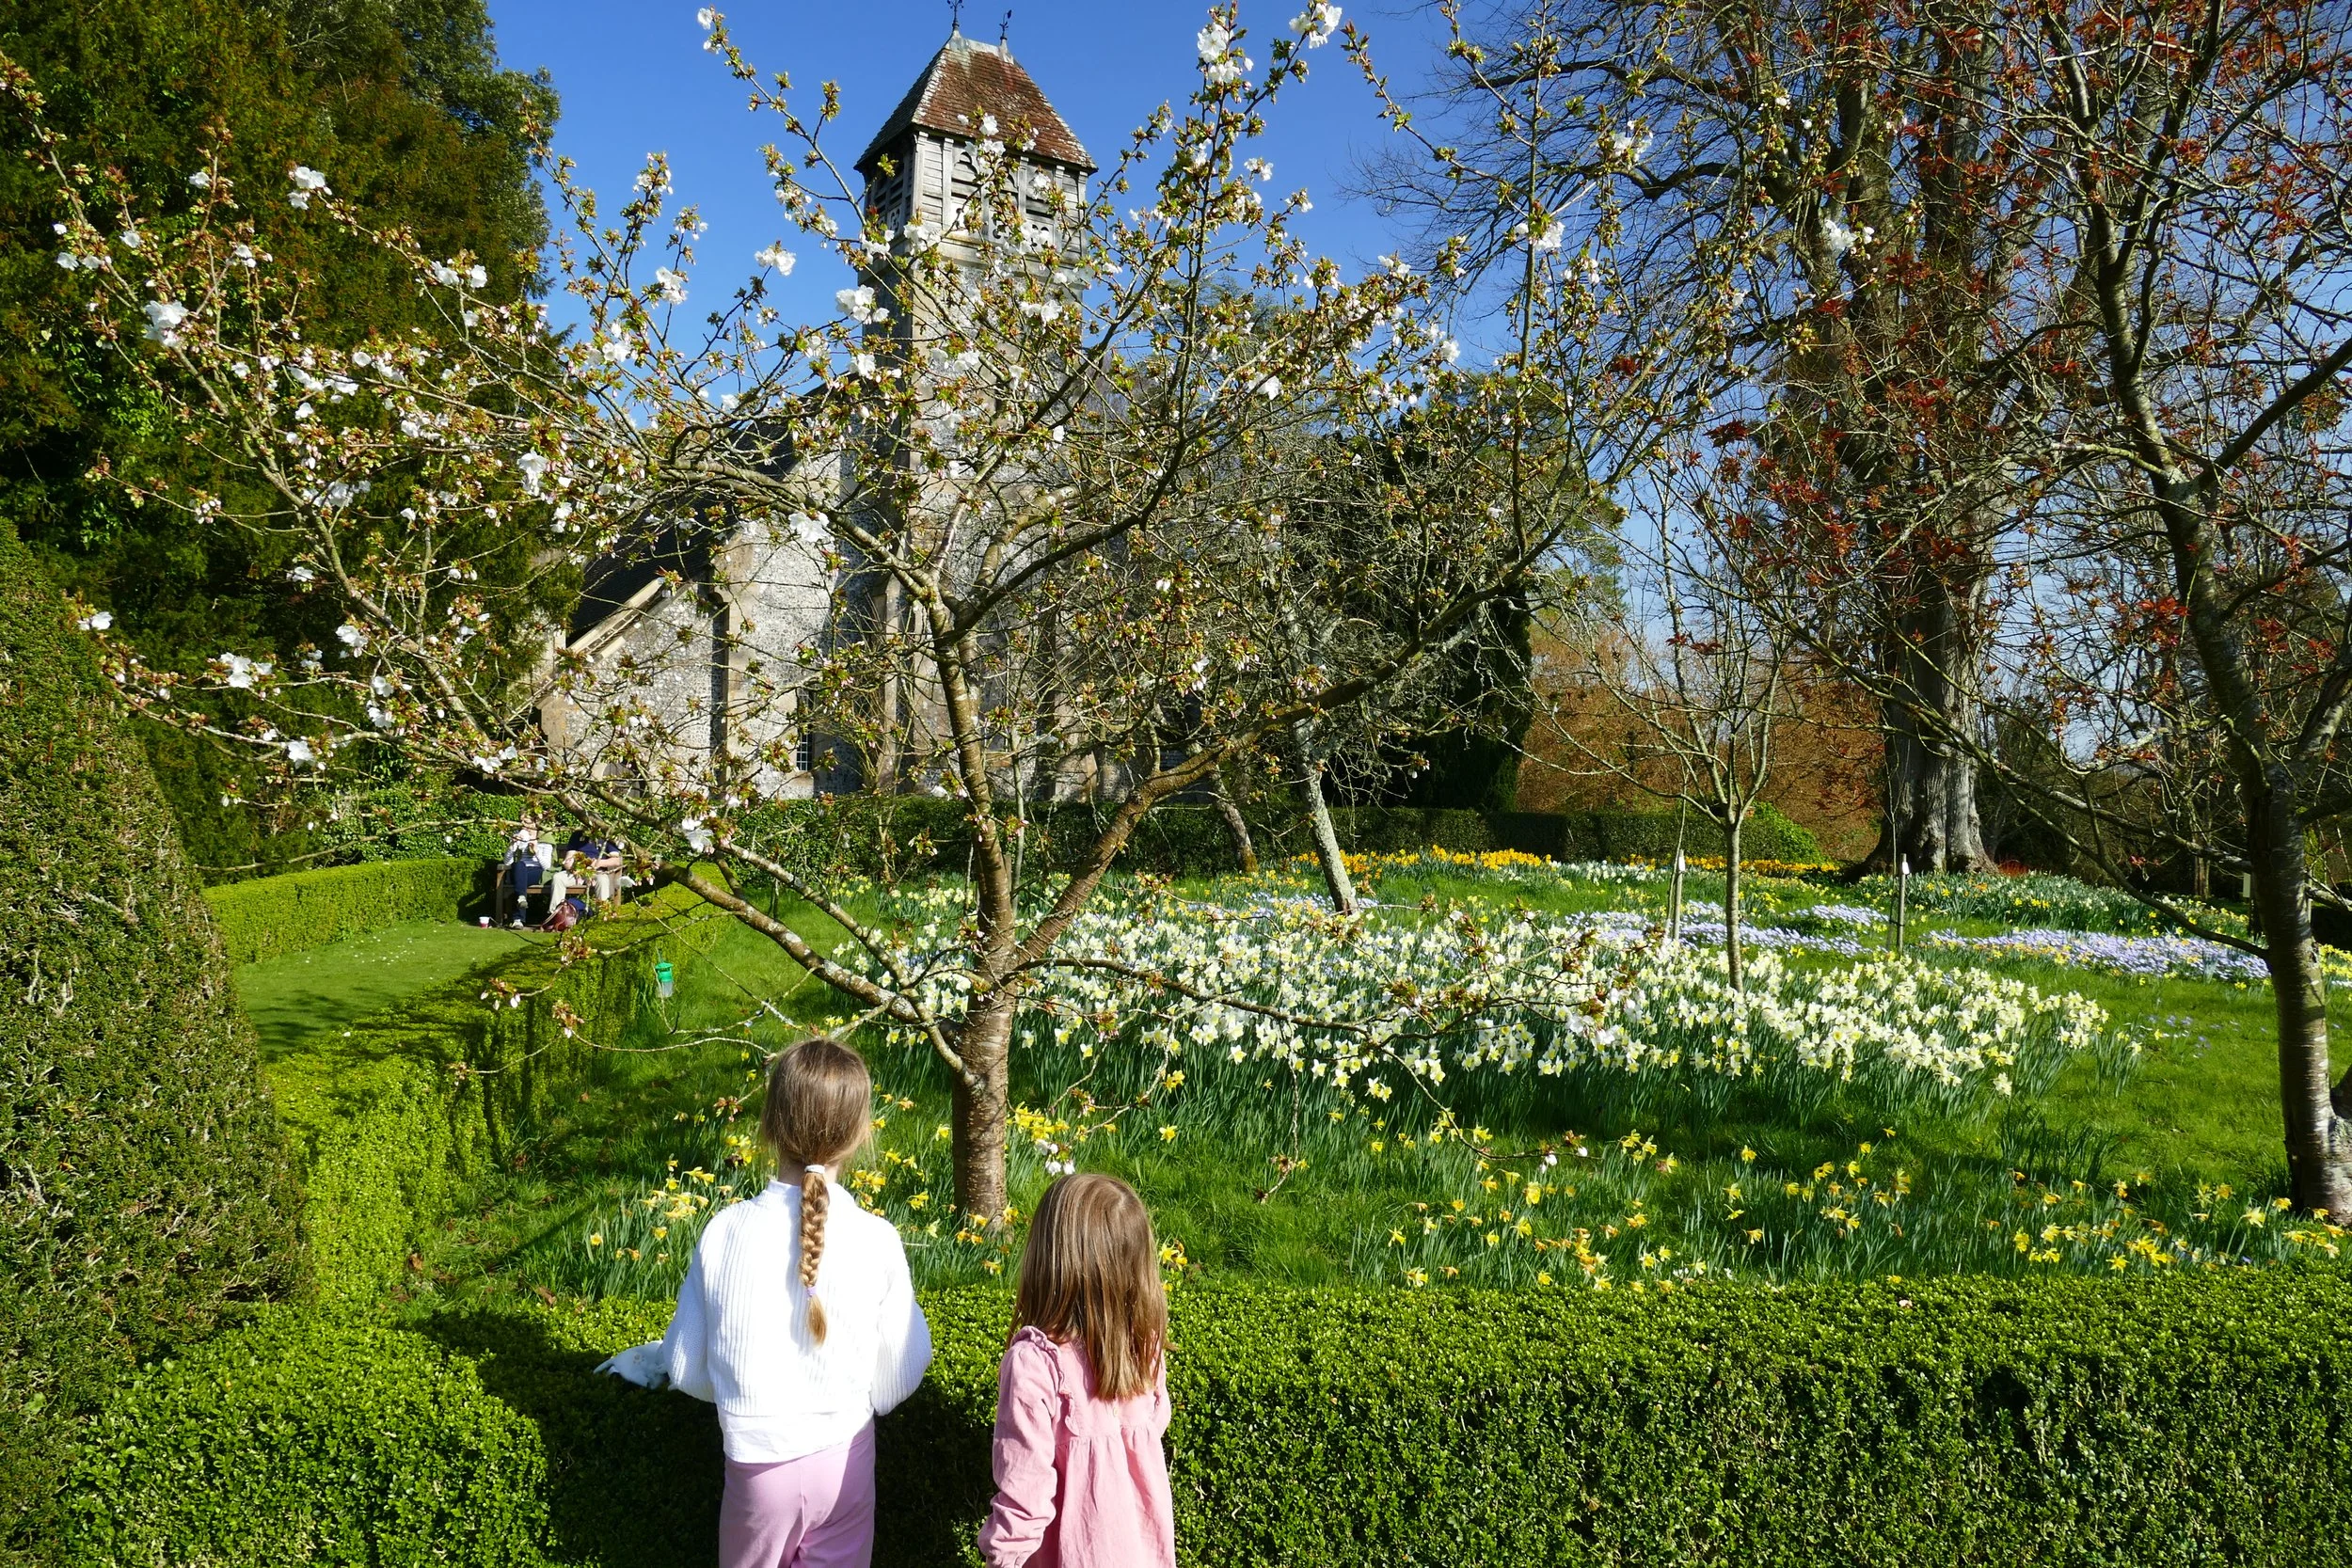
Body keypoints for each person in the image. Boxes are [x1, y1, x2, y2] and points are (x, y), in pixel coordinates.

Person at [596, 1037, 931, 1568]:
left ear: (769, 1124)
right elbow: (898, 1375)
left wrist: (741, 1401)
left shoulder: (725, 1232)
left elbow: (685, 1366)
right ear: (862, 1132)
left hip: (757, 1468)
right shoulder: (877, 1238)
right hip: (845, 1462)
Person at [977, 1173, 1175, 1568]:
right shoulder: (1144, 1344)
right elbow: (1156, 1422)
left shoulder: (1036, 1365)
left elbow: (1025, 1500)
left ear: (1048, 1259)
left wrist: (1000, 1557)